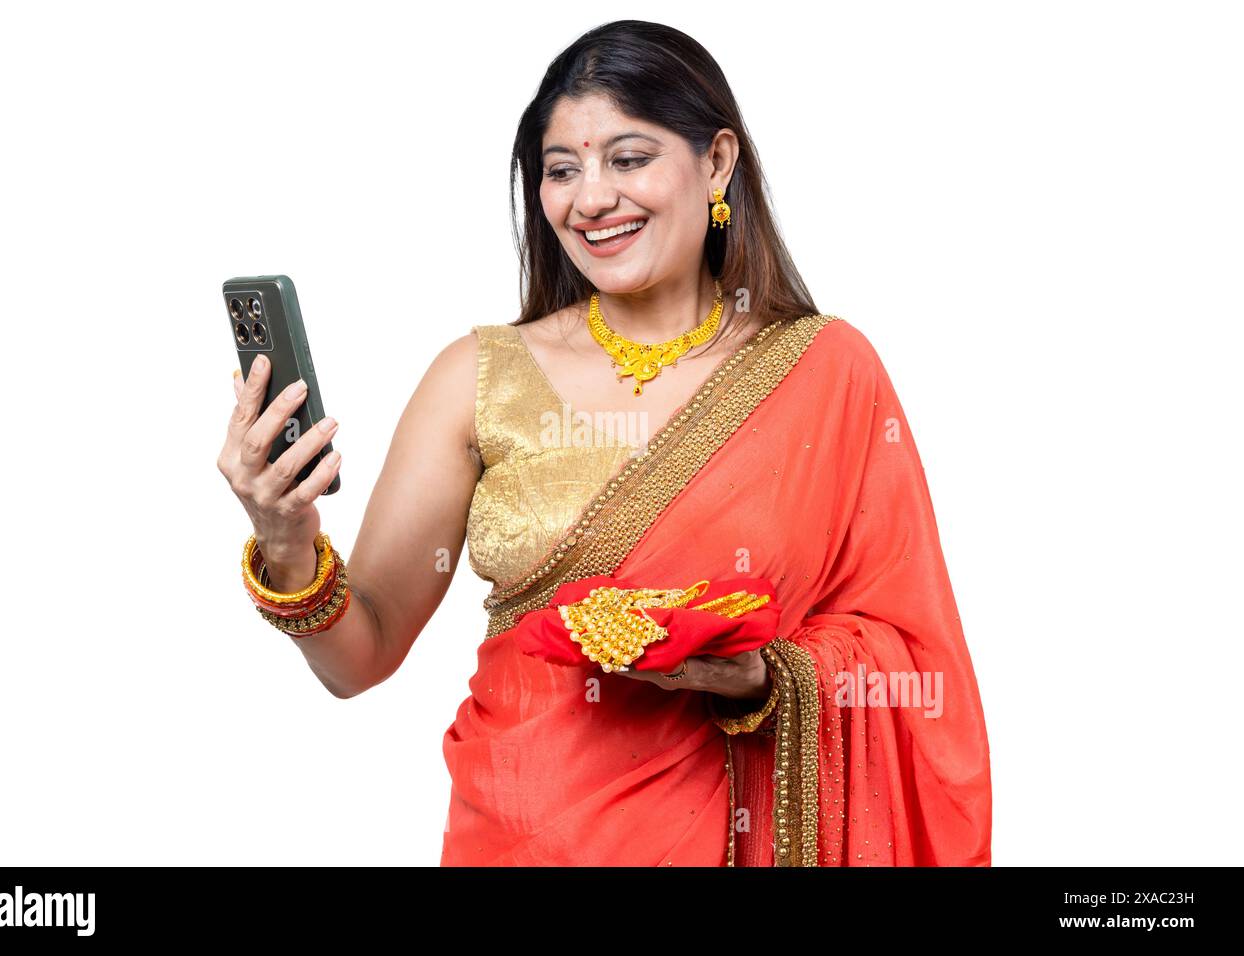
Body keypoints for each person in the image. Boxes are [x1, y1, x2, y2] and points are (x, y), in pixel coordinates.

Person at [216, 19, 992, 866]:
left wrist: (768, 677)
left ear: (719, 162)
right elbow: (357, 659)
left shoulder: (825, 370)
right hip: (515, 840)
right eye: (561, 170)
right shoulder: (476, 377)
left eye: (628, 159)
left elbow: (911, 654)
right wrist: (286, 543)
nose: (589, 199)